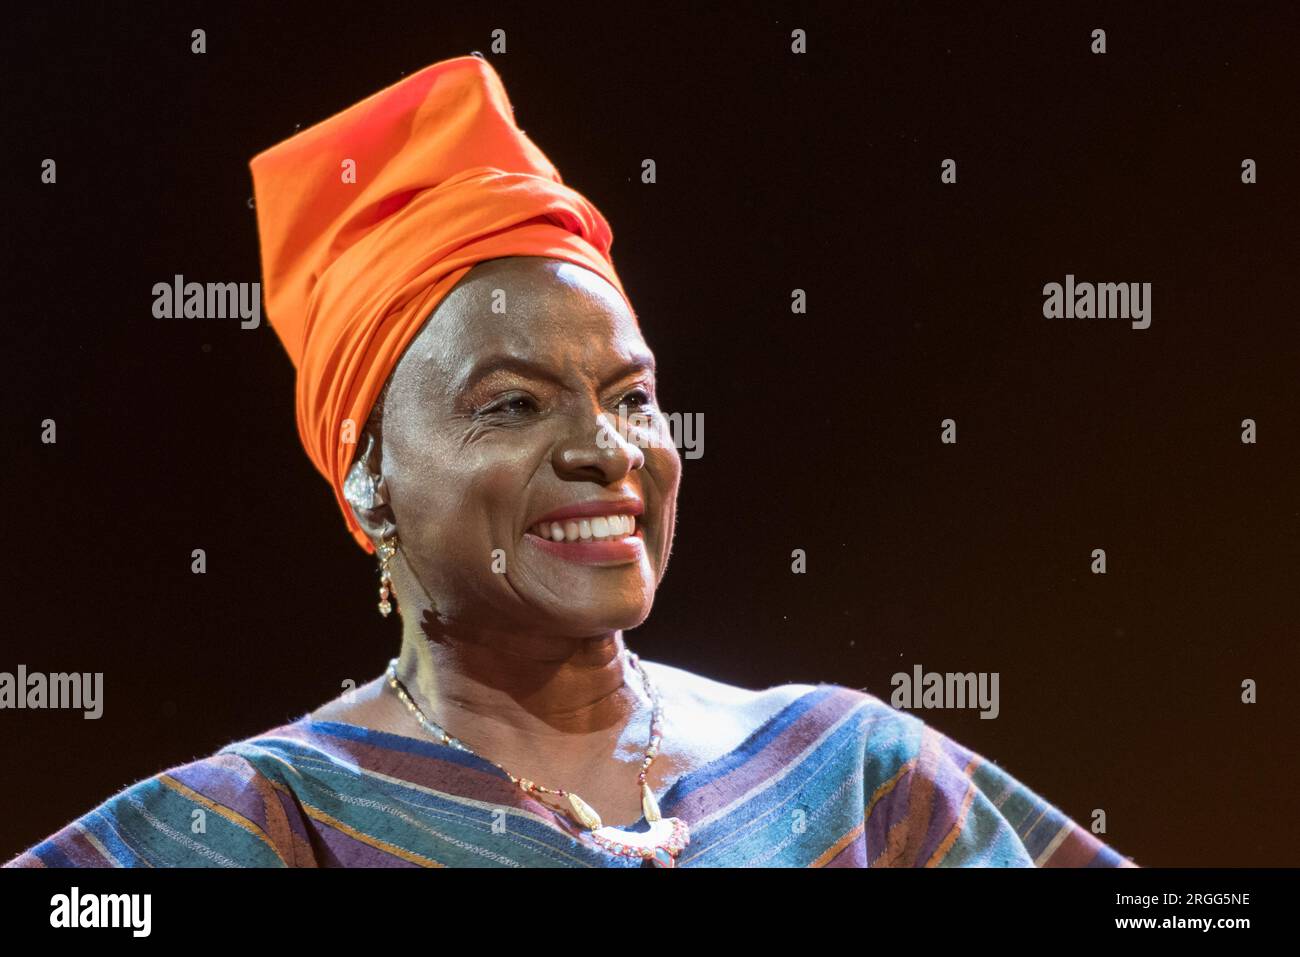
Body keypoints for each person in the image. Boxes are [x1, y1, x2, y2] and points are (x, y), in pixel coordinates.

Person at [5, 55, 1136, 869]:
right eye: (511, 403)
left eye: (631, 395)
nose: (607, 449)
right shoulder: (269, 819)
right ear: (367, 479)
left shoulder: (846, 772)